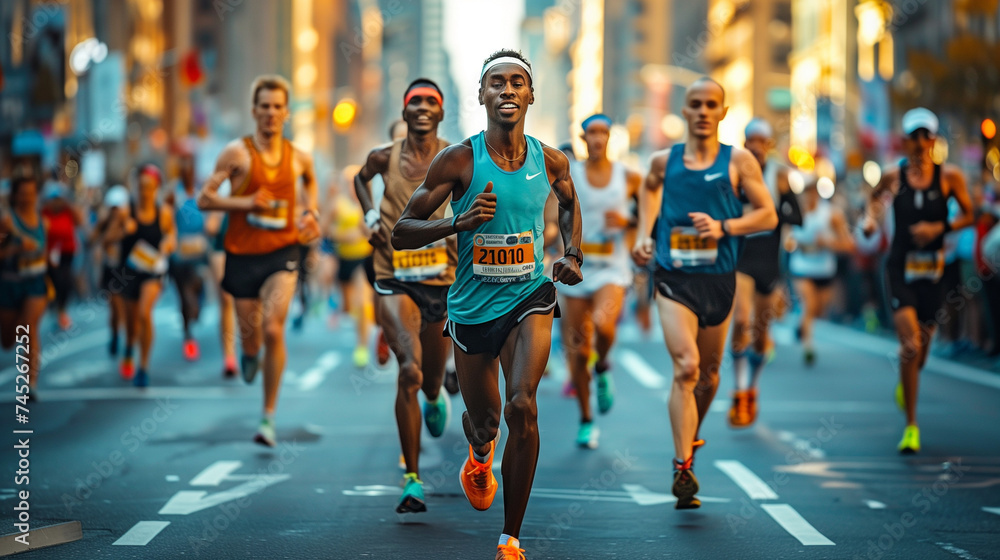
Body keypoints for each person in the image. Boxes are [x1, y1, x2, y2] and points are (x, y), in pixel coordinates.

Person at [393, 50, 582, 560]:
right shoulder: (458, 160)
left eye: (517, 82)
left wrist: (573, 253)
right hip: (474, 308)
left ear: (530, 95)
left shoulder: (551, 160)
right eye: (495, 82)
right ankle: (480, 454)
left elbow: (568, 202)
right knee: (487, 422)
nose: (506, 90)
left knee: (524, 403)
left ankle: (510, 539)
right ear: (481, 95)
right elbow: (402, 233)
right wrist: (457, 222)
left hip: (529, 296)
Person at [632, 78, 777, 509]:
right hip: (674, 277)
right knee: (687, 365)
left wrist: (724, 227)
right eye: (694, 104)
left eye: (711, 104)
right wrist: (644, 234)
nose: (702, 111)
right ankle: (683, 467)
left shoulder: (740, 161)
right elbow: (649, 188)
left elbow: (767, 213)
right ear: (684, 110)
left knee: (710, 376)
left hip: (719, 277)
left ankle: (689, 438)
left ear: (723, 112)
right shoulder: (664, 160)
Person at [197, 75, 321, 446]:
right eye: (264, 106)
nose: (270, 113)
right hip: (241, 255)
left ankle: (268, 417)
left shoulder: (299, 156)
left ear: (286, 112)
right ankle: (248, 354)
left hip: (282, 252)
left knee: (273, 328)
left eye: (277, 106)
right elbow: (205, 199)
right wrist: (244, 203)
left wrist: (311, 214)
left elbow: (311, 183)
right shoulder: (236, 153)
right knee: (251, 338)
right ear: (254, 111)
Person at [355, 78, 456, 513]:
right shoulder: (384, 157)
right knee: (409, 372)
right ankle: (412, 479)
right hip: (394, 274)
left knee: (431, 379)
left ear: (441, 111)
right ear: (404, 110)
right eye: (414, 101)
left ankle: (436, 396)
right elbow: (361, 181)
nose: (422, 107)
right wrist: (371, 216)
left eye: (430, 101)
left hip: (443, 279)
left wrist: (461, 230)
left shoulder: (458, 157)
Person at [863, 108, 973, 454]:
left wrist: (938, 229)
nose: (921, 143)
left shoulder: (950, 177)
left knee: (921, 352)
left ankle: (907, 381)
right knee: (909, 345)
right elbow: (872, 200)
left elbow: (971, 214)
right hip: (899, 268)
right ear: (905, 140)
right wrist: (870, 220)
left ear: (934, 140)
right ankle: (911, 425)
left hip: (934, 272)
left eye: (927, 136)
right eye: (915, 136)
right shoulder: (893, 176)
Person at [557, 113, 641, 449]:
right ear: (582, 138)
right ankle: (587, 419)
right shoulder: (569, 174)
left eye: (603, 133)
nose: (596, 139)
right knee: (577, 352)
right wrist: (552, 237)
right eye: (590, 133)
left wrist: (630, 221)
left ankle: (603, 365)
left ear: (610, 138)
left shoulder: (628, 176)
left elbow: (652, 207)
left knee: (604, 326)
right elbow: (554, 212)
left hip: (612, 268)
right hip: (577, 267)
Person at [728, 118, 802, 427]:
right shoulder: (734, 172)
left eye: (761, 141)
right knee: (741, 320)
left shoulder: (780, 176)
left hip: (770, 262)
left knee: (760, 335)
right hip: (741, 258)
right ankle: (739, 389)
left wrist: (767, 211)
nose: (756, 147)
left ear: (769, 145)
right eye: (751, 141)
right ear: (745, 143)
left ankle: (753, 388)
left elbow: (797, 216)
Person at [119, 164, 176, 387]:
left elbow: (173, 237)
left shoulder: (164, 213)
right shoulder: (126, 211)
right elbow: (108, 236)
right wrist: (123, 228)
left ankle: (143, 367)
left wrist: (168, 243)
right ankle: (129, 346)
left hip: (153, 272)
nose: (145, 192)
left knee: (144, 313)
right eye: (141, 187)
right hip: (129, 273)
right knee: (132, 323)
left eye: (150, 187)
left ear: (157, 188)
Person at [787, 181, 854, 365]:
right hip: (801, 268)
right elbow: (786, 240)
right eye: (804, 194)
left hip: (824, 270)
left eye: (811, 193)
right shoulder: (793, 213)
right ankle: (808, 348)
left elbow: (849, 244)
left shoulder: (832, 215)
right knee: (809, 305)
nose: (807, 198)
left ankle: (801, 326)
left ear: (817, 194)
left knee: (818, 310)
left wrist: (827, 243)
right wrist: (795, 244)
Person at [0, 176, 49, 400]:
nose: (27, 198)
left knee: (29, 328)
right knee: (8, 340)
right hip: (9, 283)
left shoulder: (42, 221)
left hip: (35, 282)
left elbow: (44, 250)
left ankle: (30, 383)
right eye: (23, 193)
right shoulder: (6, 221)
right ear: (15, 195)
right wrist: (15, 249)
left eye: (31, 193)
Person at [326, 177, 375, 367]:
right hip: (343, 258)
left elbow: (378, 232)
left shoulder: (370, 205)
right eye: (350, 184)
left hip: (363, 259)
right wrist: (343, 235)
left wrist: (365, 233)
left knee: (362, 302)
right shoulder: (337, 204)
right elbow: (324, 229)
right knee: (348, 308)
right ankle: (340, 308)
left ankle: (362, 347)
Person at [167, 147, 210, 361]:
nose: (187, 169)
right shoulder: (173, 192)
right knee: (183, 295)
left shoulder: (203, 189)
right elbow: (165, 218)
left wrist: (211, 224)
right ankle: (188, 335)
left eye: (190, 165)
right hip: (179, 253)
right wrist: (171, 235)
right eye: (183, 165)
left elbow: (213, 213)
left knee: (197, 284)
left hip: (200, 251)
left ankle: (197, 307)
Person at [90, 185, 131, 358]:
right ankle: (115, 334)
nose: (115, 211)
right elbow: (91, 240)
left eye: (118, 208)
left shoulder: (129, 224)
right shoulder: (104, 223)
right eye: (112, 208)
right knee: (115, 308)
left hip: (127, 271)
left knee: (127, 309)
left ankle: (128, 342)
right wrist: (102, 224)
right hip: (110, 270)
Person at [41, 179, 83, 331]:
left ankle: (62, 311)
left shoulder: (68, 210)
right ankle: (55, 309)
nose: (56, 203)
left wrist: (70, 205)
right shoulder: (44, 212)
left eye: (59, 199)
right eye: (54, 200)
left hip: (67, 251)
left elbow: (80, 222)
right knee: (55, 281)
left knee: (66, 281)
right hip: (50, 253)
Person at [205, 210, 238, 378]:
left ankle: (251, 348)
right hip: (222, 250)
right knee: (226, 299)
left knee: (253, 301)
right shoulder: (222, 189)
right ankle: (229, 356)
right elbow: (210, 227)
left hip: (249, 251)